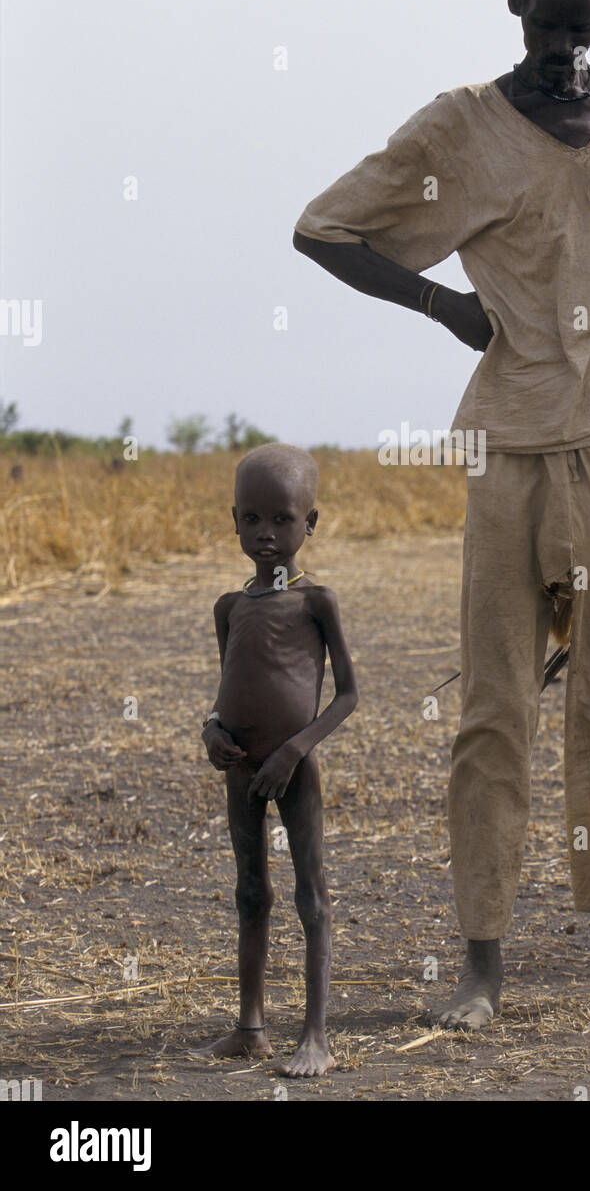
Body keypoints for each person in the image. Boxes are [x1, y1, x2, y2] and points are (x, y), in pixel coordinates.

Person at [294, 0, 590, 1028]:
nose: (562, 44)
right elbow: (325, 229)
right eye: (544, 20)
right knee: (495, 710)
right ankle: (481, 970)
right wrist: (443, 305)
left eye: (580, 24)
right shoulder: (462, 127)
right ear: (511, 1)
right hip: (510, 449)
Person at [193, 443, 358, 1075]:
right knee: (251, 892)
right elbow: (226, 685)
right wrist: (211, 729)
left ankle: (316, 1035)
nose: (266, 534)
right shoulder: (230, 608)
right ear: (234, 520)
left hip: (293, 768)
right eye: (252, 519)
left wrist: (296, 749)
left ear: (309, 524)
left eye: (283, 520)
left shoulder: (317, 602)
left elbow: (348, 695)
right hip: (240, 767)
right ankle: (250, 1027)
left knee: (310, 894)